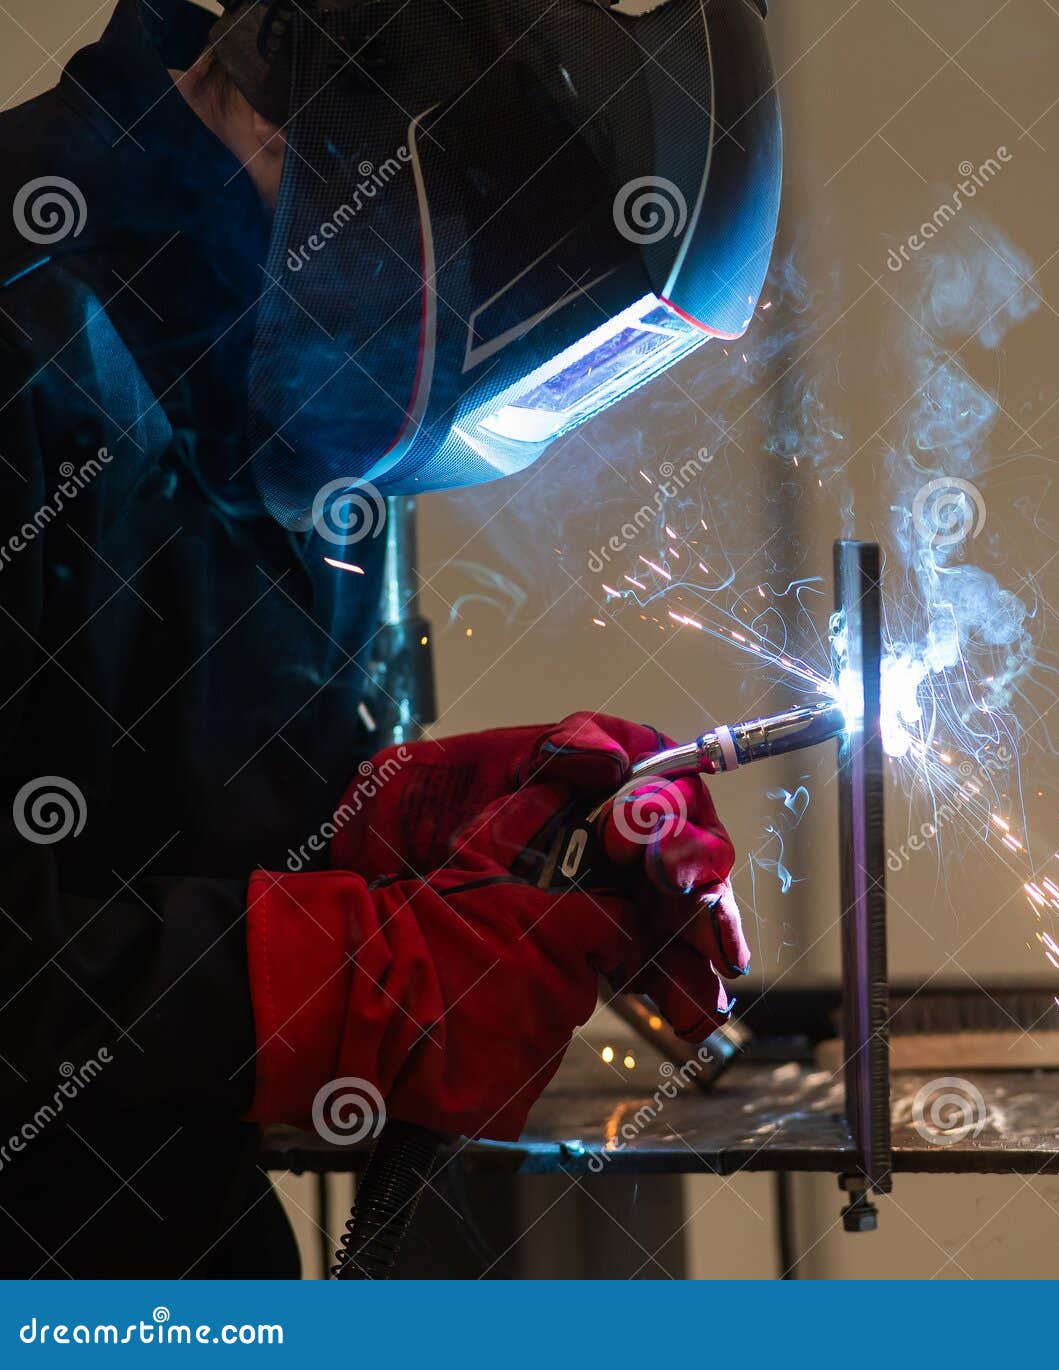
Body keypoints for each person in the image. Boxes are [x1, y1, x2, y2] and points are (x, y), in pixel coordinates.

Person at [0, 0, 776, 1278]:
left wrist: (414, 822)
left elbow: (148, 817)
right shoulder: (20, 314)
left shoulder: (268, 358)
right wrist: (357, 981)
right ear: (374, 133)